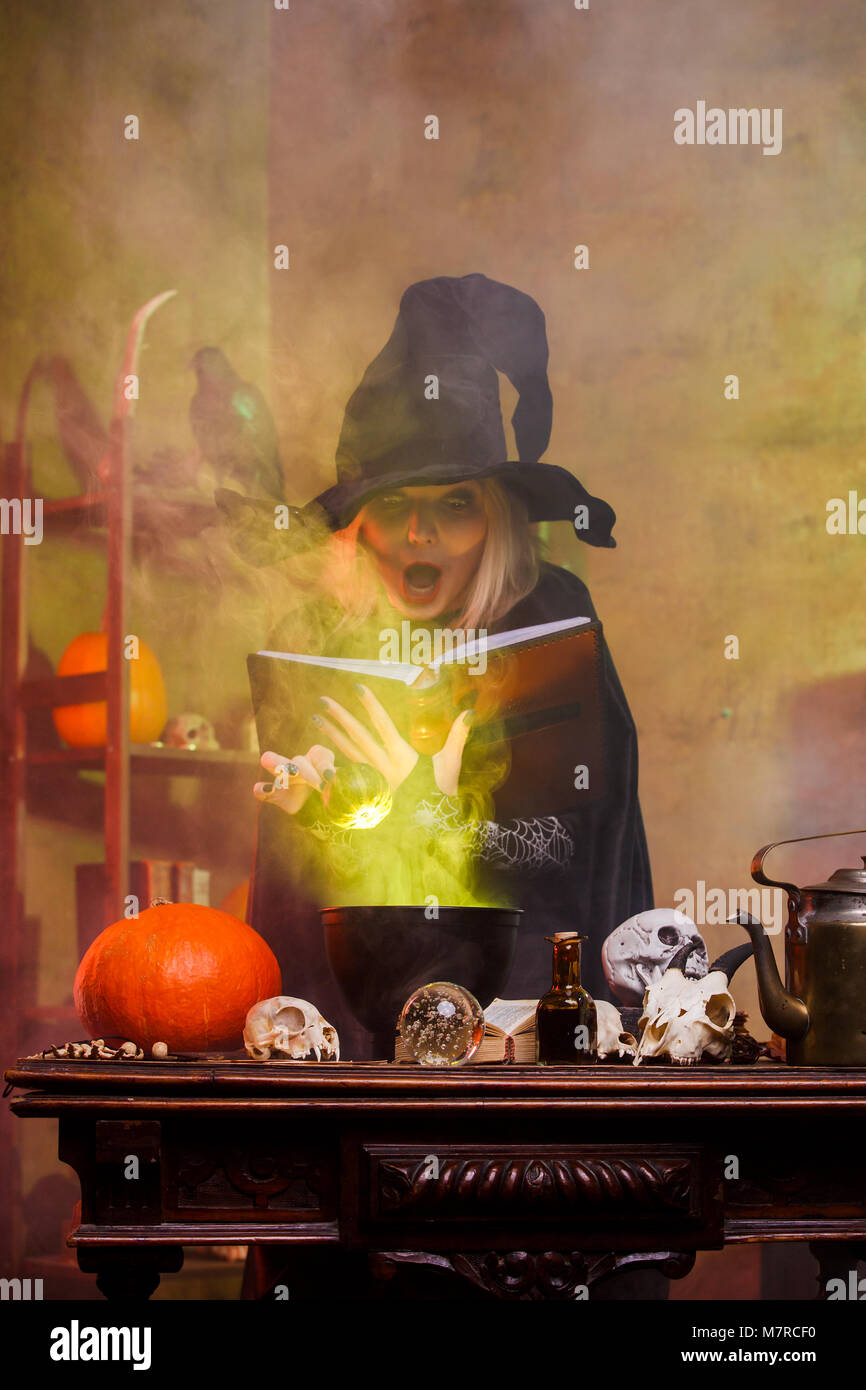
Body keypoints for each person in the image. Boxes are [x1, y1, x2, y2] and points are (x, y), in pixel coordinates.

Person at [225, 273, 654, 1059]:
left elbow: (584, 851)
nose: (419, 533)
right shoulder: (315, 637)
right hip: (348, 1044)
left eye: (453, 504)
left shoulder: (552, 620)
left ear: (493, 519)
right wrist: (325, 813)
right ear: (361, 524)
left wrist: (434, 805)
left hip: (523, 1043)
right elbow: (294, 897)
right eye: (393, 505)